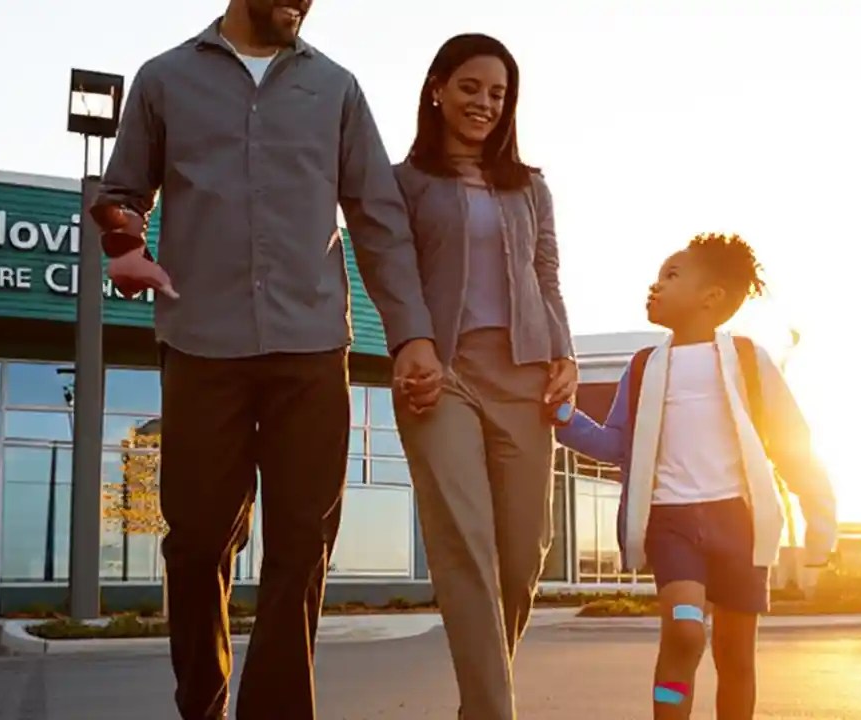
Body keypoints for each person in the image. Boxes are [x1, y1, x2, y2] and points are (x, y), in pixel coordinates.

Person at [90, 2, 443, 718]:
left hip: (312, 352)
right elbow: (121, 193)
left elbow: (377, 215)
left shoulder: (337, 88)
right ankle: (203, 704)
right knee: (194, 546)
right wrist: (125, 246)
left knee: (301, 548)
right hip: (201, 347)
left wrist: (411, 333)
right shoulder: (164, 79)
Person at [555, 233, 837, 720]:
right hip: (672, 523)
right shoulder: (644, 367)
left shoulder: (750, 360)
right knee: (685, 634)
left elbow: (793, 443)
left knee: (735, 657)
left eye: (672, 275)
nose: (656, 284)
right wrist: (561, 416)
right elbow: (613, 444)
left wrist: (819, 518)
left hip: (739, 526)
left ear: (712, 298)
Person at [390, 33, 578, 720]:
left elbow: (547, 274)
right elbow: (392, 273)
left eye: (497, 94)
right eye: (471, 87)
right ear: (436, 87)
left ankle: (481, 707)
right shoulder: (402, 184)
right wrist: (411, 346)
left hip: (525, 378)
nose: (484, 103)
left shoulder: (530, 187)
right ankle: (495, 712)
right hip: (442, 378)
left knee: (523, 555)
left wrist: (565, 351)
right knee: (466, 547)